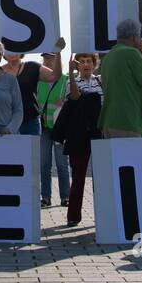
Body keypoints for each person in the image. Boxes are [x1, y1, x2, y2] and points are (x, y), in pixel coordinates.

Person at [53, 52, 103, 226]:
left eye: (89, 61)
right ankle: (73, 216)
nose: (86, 64)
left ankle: (104, 214)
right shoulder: (70, 82)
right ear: (77, 65)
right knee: (78, 176)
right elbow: (74, 96)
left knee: (102, 177)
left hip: (98, 133)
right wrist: (71, 74)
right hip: (79, 135)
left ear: (94, 63)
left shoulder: (100, 81)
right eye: (82, 62)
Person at [97, 20, 142, 138]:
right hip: (128, 121)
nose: (141, 41)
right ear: (134, 37)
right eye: (139, 37)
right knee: (131, 156)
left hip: (108, 121)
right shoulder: (132, 53)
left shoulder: (108, 57)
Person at [37, 38, 71, 208]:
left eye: (51, 58)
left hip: (60, 129)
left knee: (62, 164)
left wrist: (63, 104)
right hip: (43, 128)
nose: (48, 61)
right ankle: (46, 197)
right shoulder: (39, 79)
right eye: (46, 59)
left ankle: (65, 197)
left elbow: (73, 102)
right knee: (44, 165)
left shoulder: (65, 79)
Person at [3, 52, 42, 137]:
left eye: (14, 49)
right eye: (8, 50)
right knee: (9, 150)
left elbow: (54, 76)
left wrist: (58, 53)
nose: (12, 53)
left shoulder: (33, 66)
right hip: (7, 123)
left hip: (30, 121)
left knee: (31, 150)